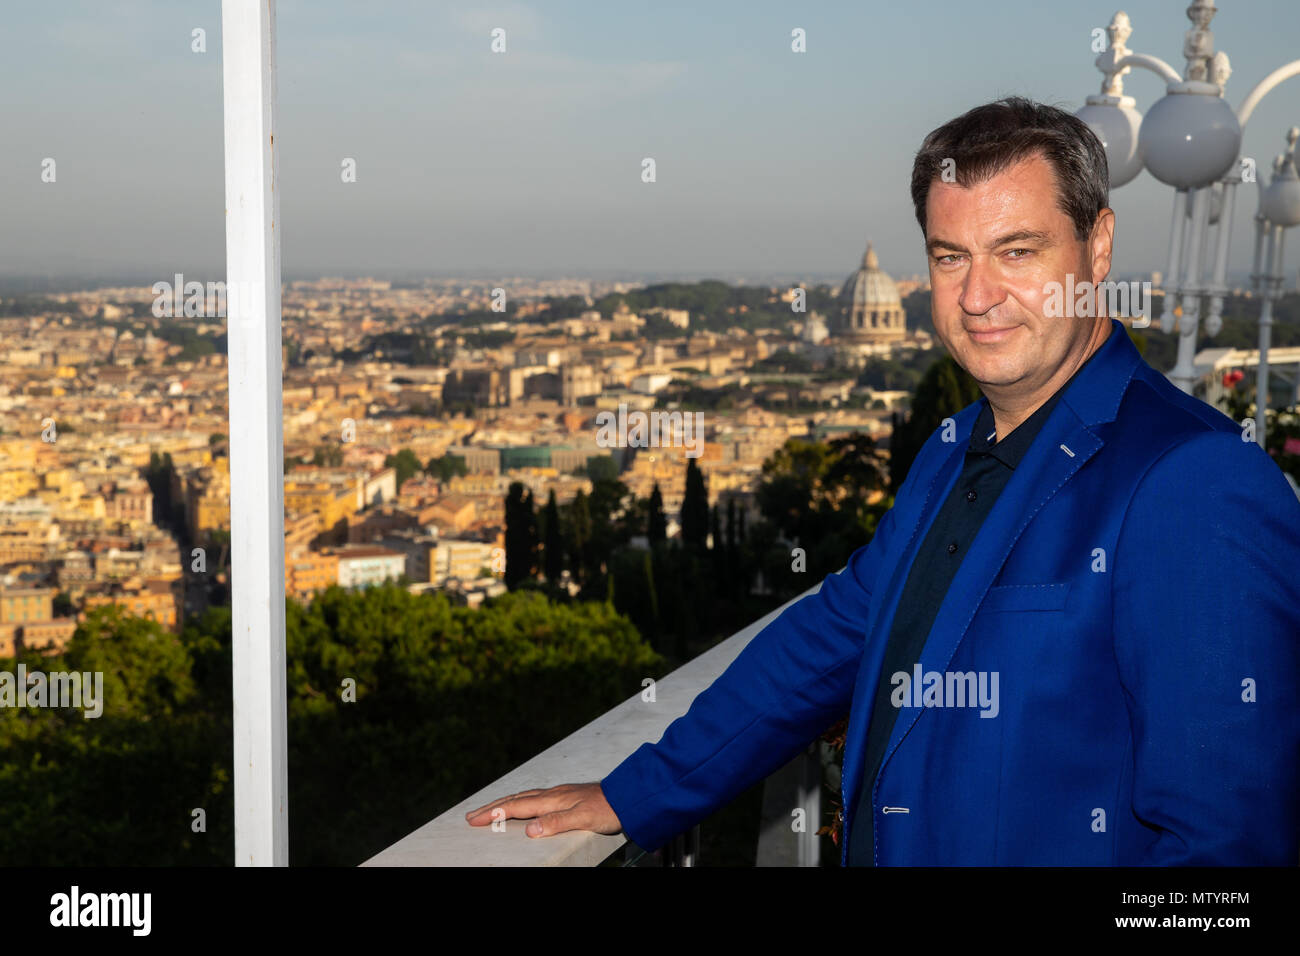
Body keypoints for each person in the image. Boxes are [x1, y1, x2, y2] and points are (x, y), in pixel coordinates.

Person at [466, 97, 1300, 865]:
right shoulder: (952, 449)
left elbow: (1228, 859)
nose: (978, 295)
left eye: (1017, 251)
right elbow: (833, 640)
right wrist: (636, 790)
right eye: (950, 256)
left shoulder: (1196, 480)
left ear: (1099, 247)